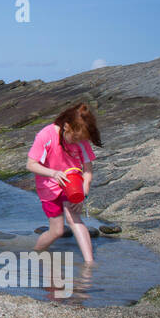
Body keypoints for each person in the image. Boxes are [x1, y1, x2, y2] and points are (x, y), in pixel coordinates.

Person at [28, 103, 102, 263]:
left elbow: (88, 170)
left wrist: (84, 192)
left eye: (81, 139)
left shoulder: (81, 140)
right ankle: (35, 254)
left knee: (75, 218)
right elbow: (30, 164)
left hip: (72, 184)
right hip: (48, 186)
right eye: (75, 138)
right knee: (57, 231)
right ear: (66, 126)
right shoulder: (46, 135)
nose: (77, 142)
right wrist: (53, 173)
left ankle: (89, 262)